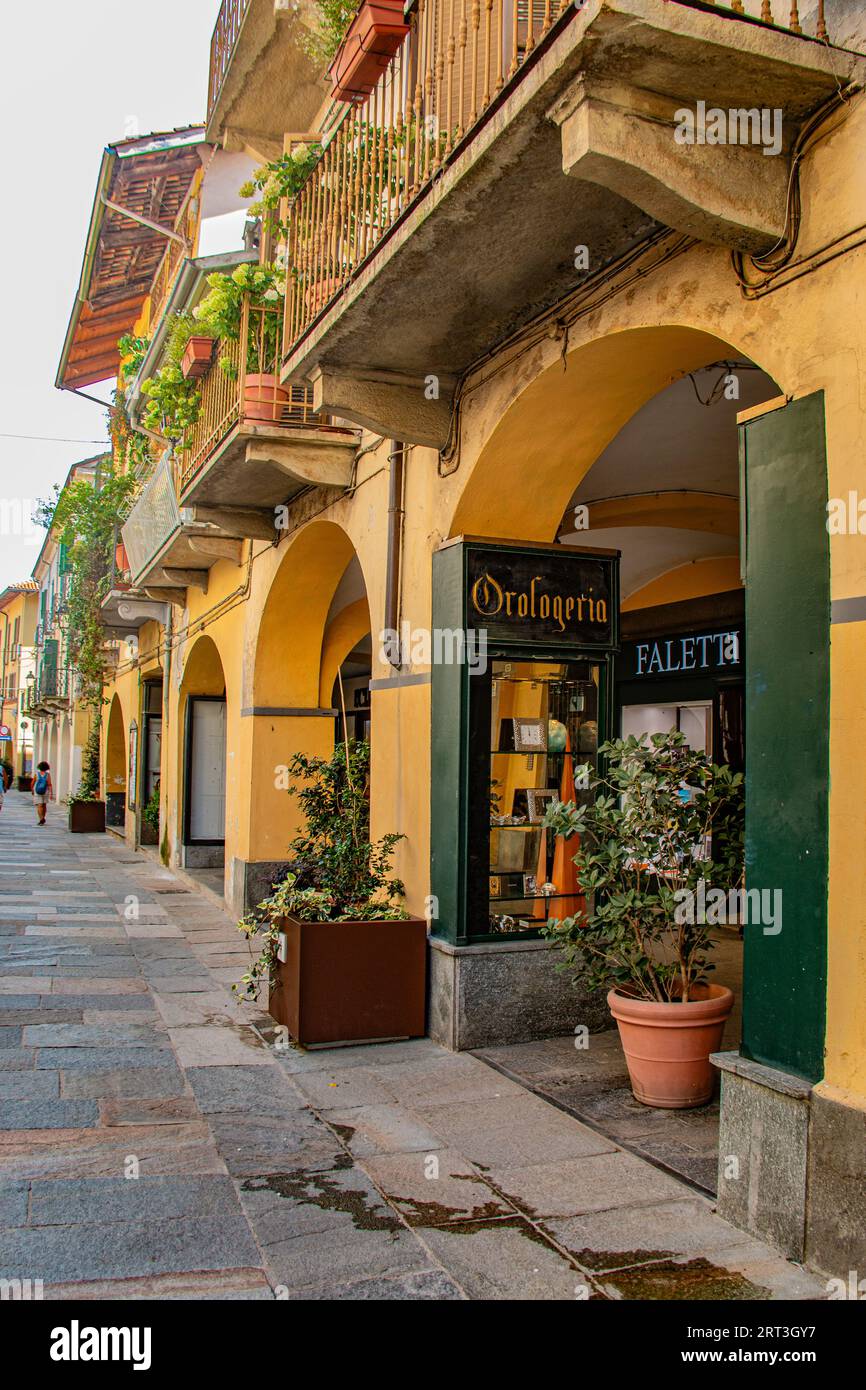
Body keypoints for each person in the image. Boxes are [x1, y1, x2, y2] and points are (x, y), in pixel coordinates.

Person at [33, 761, 52, 826]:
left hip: (37, 791)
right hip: (45, 791)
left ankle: (41, 819)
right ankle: (43, 817)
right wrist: (51, 793)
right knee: (44, 805)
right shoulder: (47, 775)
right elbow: (49, 784)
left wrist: (32, 790)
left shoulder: (36, 774)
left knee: (39, 805)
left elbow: (32, 782)